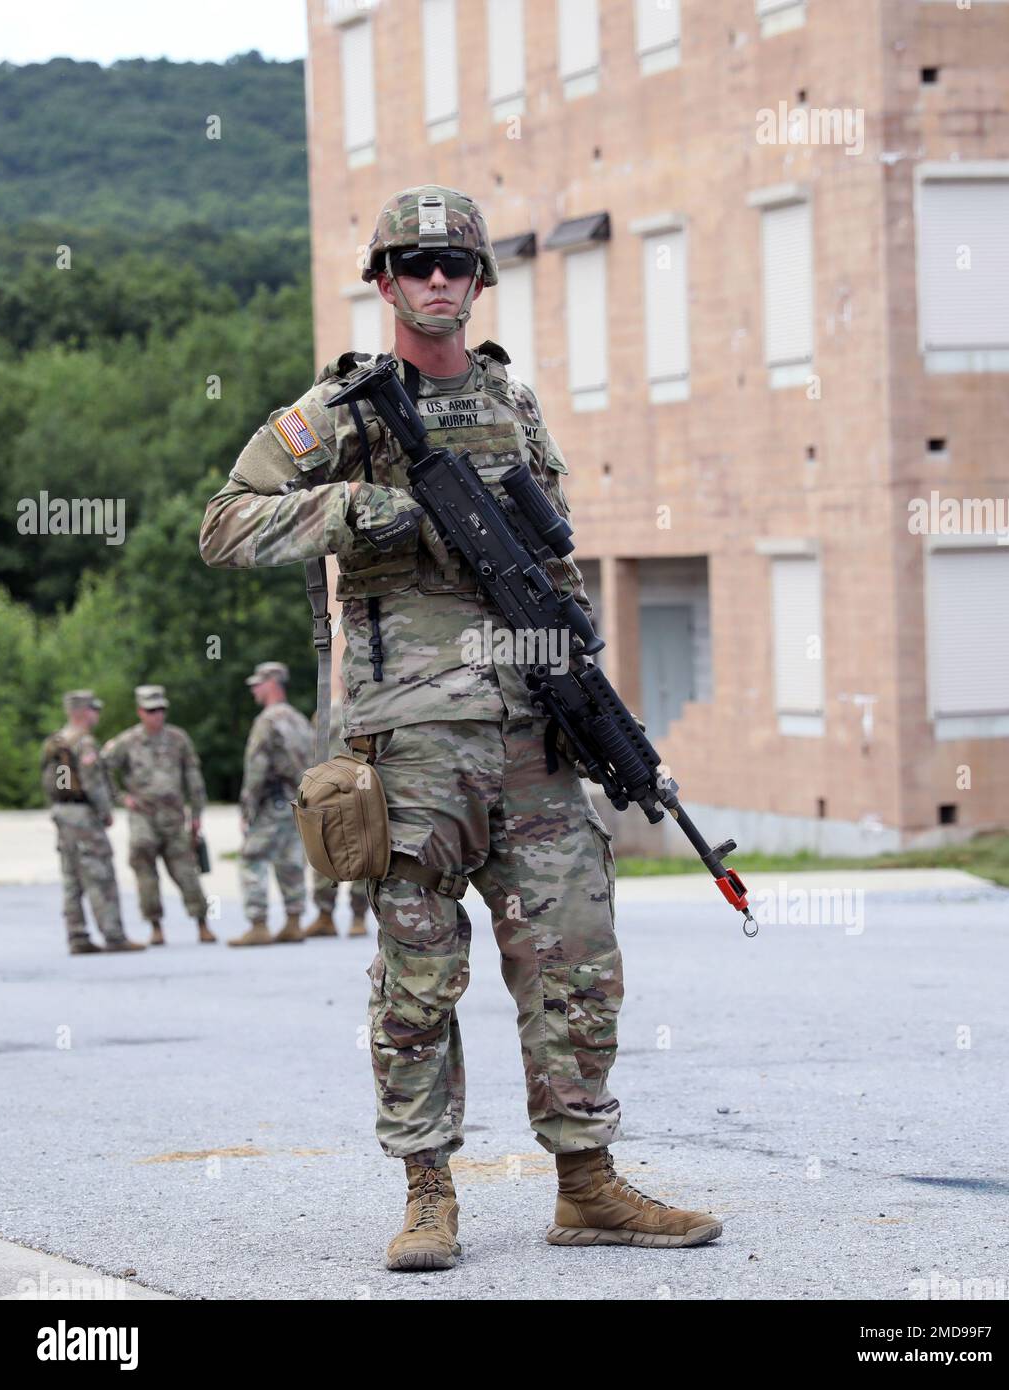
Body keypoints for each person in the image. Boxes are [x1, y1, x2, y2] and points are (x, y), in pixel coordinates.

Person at [200, 185, 722, 1268]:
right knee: (416, 973)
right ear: (383, 280)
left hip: (532, 731)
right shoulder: (343, 411)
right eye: (415, 262)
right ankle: (428, 1192)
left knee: (572, 951)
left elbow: (551, 556)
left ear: (479, 283)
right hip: (415, 740)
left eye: (457, 264)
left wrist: (582, 684)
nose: (438, 279)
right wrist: (358, 509)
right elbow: (223, 522)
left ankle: (585, 1182)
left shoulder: (513, 403)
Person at [102, 685, 215, 946]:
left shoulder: (178, 739)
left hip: (174, 816)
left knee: (186, 870)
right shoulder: (127, 741)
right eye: (152, 710)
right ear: (141, 711)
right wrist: (120, 798)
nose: (157, 715)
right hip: (143, 815)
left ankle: (202, 923)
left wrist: (197, 812)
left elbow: (193, 776)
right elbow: (102, 767)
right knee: (144, 869)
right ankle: (155, 926)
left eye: (161, 710)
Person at [40, 690, 144, 954]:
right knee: (101, 874)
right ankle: (114, 935)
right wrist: (104, 810)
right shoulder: (84, 743)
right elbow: (92, 782)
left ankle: (77, 936)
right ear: (84, 712)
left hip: (63, 813)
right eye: (94, 710)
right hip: (84, 816)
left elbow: (55, 782)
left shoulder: (58, 741)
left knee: (72, 875)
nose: (97, 715)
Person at [230, 662, 313, 947]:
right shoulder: (300, 720)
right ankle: (294, 922)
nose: (254, 689)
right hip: (298, 802)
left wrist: (247, 808)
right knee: (290, 860)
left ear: (271, 684)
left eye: (257, 684)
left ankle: (258, 924)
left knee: (252, 858)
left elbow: (256, 768)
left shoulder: (267, 721)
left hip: (273, 801)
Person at [306, 695, 369, 940]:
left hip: (359, 789)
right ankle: (325, 916)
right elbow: (312, 749)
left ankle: (358, 916)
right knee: (323, 850)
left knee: (361, 850)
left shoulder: (369, 705)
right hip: (326, 789)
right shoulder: (323, 713)